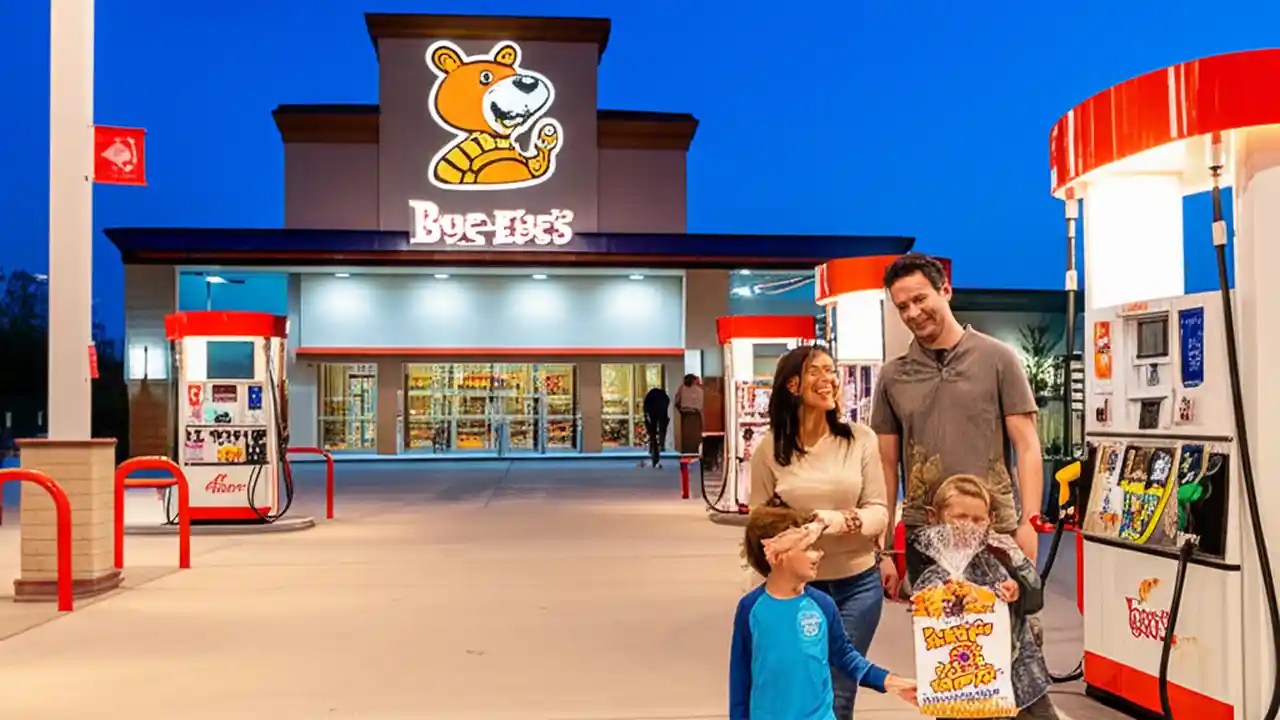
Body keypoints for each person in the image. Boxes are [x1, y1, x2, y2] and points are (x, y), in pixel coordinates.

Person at [870, 253, 1044, 603]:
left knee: (1007, 640)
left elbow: (1027, 446)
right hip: (926, 532)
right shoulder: (892, 377)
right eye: (902, 307)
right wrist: (885, 550)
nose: (913, 313)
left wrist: (1029, 523)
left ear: (945, 290)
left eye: (920, 299)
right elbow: (885, 467)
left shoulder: (998, 359)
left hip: (995, 528)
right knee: (939, 648)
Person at [748, 344, 890, 719]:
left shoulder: (860, 439)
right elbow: (758, 526)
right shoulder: (769, 450)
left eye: (832, 371)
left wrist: (835, 520)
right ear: (792, 384)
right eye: (816, 371)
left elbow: (879, 512)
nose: (828, 380)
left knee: (838, 691)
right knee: (800, 685)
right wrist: (759, 589)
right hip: (796, 590)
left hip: (857, 584)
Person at [730, 502, 917, 720]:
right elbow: (740, 680)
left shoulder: (822, 605)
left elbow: (845, 657)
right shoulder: (751, 609)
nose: (818, 554)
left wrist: (890, 681)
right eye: (808, 548)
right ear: (777, 555)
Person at [914, 475, 1058, 719]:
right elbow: (931, 627)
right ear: (934, 518)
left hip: (1021, 677)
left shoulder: (1001, 558)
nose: (969, 526)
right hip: (964, 687)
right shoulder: (931, 577)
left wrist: (1017, 589)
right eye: (959, 517)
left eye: (978, 519)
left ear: (990, 521)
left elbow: (1035, 597)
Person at [673, 373, 704, 454]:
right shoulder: (700, 390)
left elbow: (676, 401)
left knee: (686, 437)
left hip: (686, 415)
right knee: (695, 437)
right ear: (695, 380)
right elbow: (701, 405)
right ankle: (695, 452)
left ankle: (686, 453)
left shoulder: (682, 389)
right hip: (696, 415)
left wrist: (681, 410)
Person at [642, 384, 671, 469]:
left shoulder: (650, 396)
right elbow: (667, 404)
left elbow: (645, 407)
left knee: (653, 432)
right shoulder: (663, 397)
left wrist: (645, 415)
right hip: (661, 413)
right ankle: (661, 445)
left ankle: (653, 446)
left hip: (652, 413)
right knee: (662, 429)